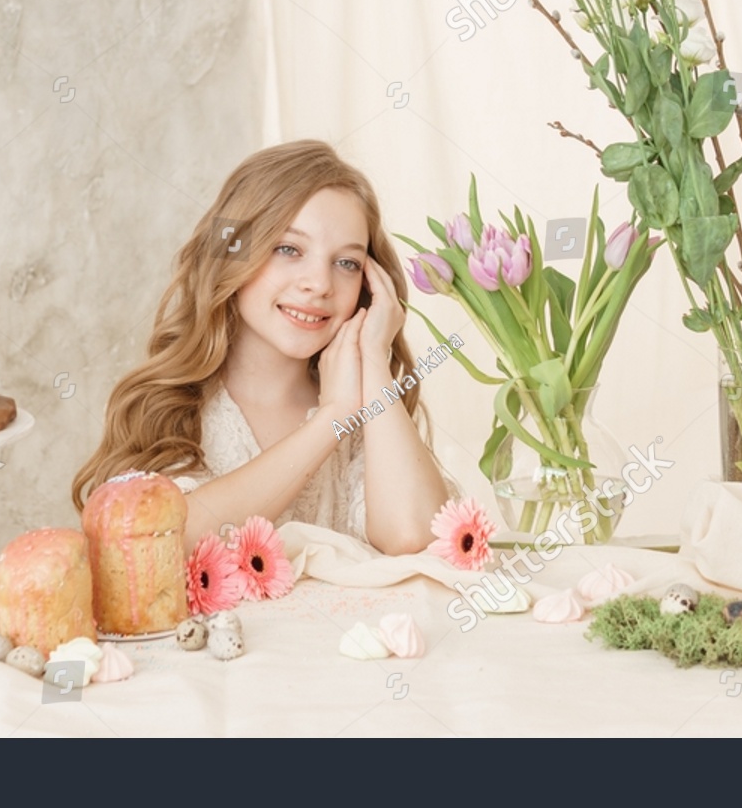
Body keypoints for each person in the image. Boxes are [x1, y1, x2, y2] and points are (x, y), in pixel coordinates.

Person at [71, 139, 456, 555]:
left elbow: (417, 537)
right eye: (288, 249)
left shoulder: (371, 414)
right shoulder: (171, 409)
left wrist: (375, 363)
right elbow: (165, 544)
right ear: (231, 254)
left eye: (346, 263)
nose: (319, 284)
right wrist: (331, 418)